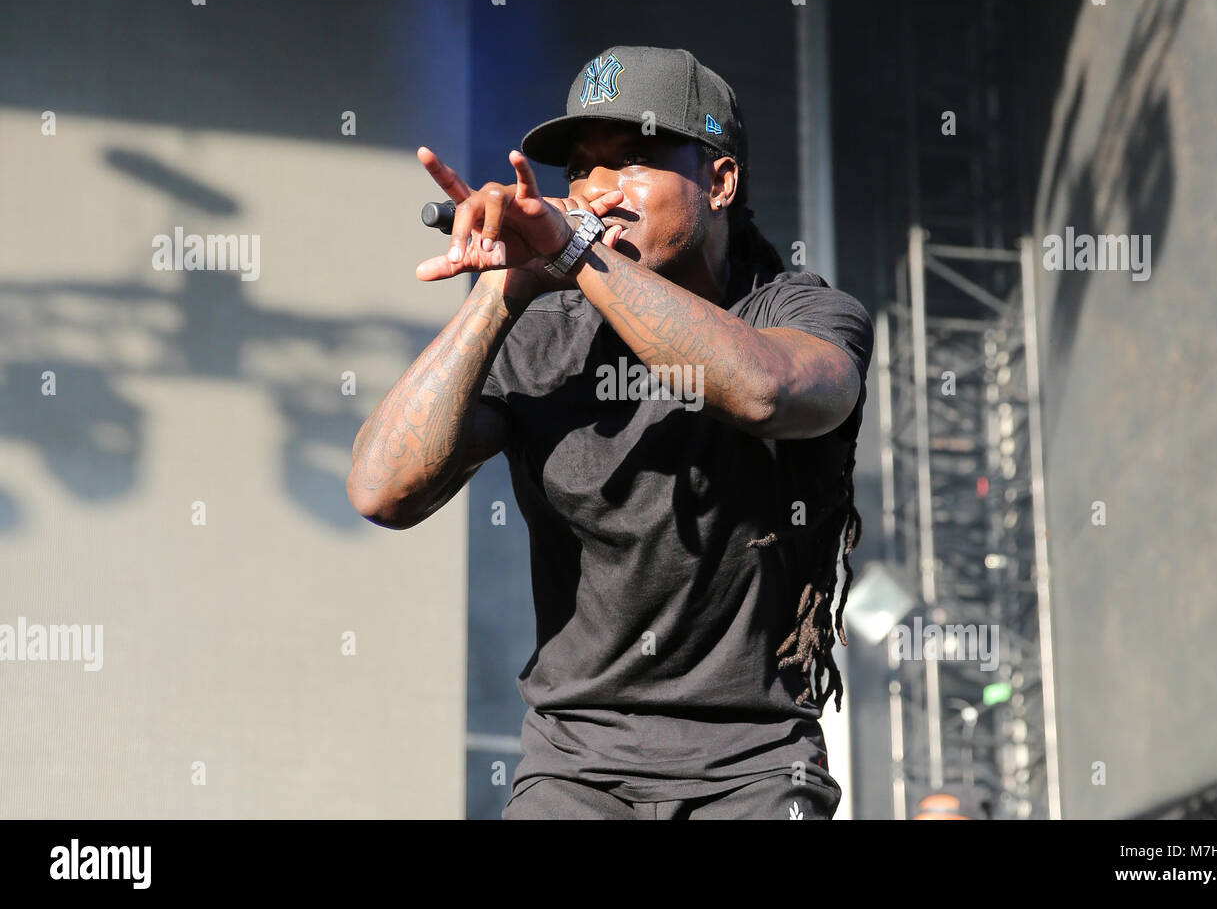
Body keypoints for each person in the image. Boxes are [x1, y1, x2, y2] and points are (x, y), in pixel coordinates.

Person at [347, 46, 873, 820]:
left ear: (720, 182)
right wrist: (501, 292)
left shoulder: (805, 314)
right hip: (577, 771)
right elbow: (380, 490)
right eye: (581, 171)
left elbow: (764, 393)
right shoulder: (542, 334)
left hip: (756, 767)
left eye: (633, 160)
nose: (597, 194)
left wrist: (572, 250)